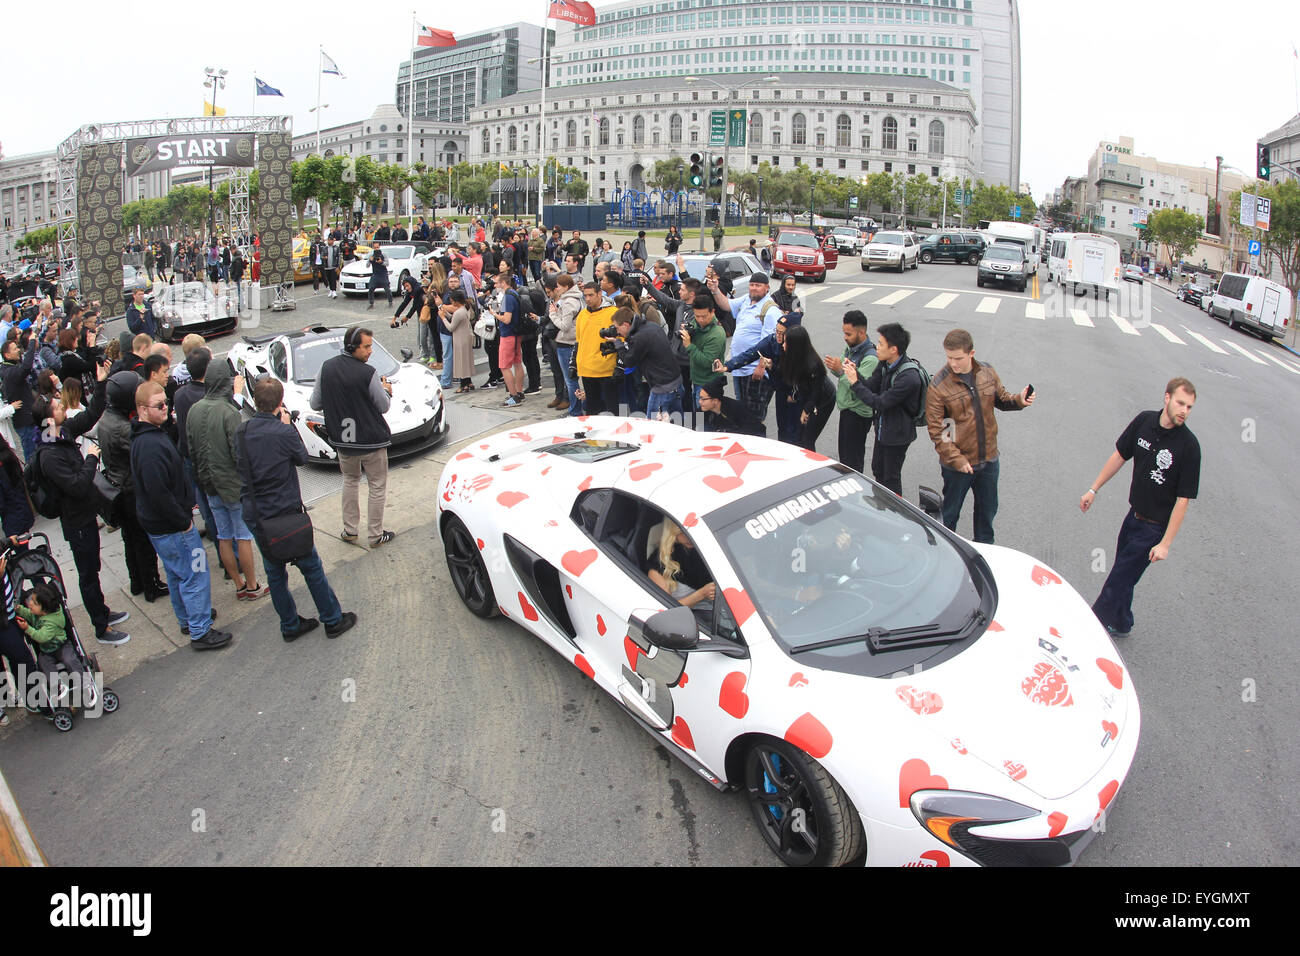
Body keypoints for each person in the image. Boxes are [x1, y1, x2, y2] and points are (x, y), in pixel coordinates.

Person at [235, 377, 356, 641]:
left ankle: (289, 625)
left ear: (255, 402)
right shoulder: (283, 432)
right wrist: (288, 427)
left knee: (275, 572)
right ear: (280, 404)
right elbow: (301, 457)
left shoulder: (241, 433)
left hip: (257, 514)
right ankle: (332, 619)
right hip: (285, 512)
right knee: (311, 566)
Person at [1081, 378, 1200, 638]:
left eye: (1190, 407)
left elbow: (1183, 500)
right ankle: (1123, 622)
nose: (1184, 411)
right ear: (1167, 398)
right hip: (1132, 517)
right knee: (1124, 574)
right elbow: (1120, 455)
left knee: (1119, 579)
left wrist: (1165, 543)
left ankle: (1088, 630)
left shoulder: (1189, 447)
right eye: (1181, 403)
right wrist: (1094, 488)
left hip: (1154, 529)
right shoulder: (1144, 421)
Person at [29, 361, 131, 646]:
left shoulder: (60, 434)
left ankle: (103, 612)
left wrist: (100, 383)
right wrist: (91, 458)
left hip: (84, 514)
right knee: (87, 573)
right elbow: (76, 485)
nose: (64, 407)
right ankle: (101, 628)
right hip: (76, 521)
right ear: (50, 419)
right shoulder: (49, 455)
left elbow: (89, 416)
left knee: (93, 568)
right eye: (58, 408)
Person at [130, 381, 230, 649]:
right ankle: (200, 630)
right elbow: (158, 492)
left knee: (177, 574)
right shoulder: (150, 446)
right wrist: (184, 522)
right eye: (159, 405)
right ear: (142, 409)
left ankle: (188, 619)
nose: (166, 409)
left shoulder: (147, 437)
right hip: (172, 526)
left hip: (160, 525)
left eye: (167, 403)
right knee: (195, 573)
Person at [925, 329, 1034, 544]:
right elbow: (938, 430)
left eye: (958, 358)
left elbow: (1002, 399)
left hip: (989, 460)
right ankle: (946, 553)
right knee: (949, 516)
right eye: (949, 357)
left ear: (971, 353)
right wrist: (957, 459)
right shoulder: (938, 386)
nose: (953, 364)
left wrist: (1020, 400)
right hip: (958, 466)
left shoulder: (987, 372)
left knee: (987, 515)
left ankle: (984, 553)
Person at [187, 360, 269, 601]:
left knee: (223, 536)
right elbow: (239, 455)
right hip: (233, 486)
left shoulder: (195, 409)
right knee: (243, 536)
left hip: (209, 485)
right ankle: (253, 585)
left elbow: (192, 449)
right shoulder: (229, 413)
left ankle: (239, 584)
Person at [310, 327, 395, 548]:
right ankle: (375, 534)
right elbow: (383, 405)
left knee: (350, 481)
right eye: (366, 347)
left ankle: (350, 530)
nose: (370, 351)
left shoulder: (326, 368)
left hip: (343, 441)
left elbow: (315, 403)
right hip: (371, 441)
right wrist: (386, 390)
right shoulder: (368, 373)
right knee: (377, 485)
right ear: (352, 347)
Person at [98, 370, 167, 601]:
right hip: (130, 491)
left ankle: (137, 581)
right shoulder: (122, 428)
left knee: (130, 539)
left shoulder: (107, 419)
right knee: (142, 542)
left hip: (119, 488)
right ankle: (151, 584)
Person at [842, 322, 922, 496]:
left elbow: (879, 403)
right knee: (878, 469)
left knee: (891, 477)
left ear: (893, 349)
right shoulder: (885, 364)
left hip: (898, 434)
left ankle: (895, 512)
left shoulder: (908, 377)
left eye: (880, 344)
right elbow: (871, 386)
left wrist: (855, 383)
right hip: (883, 430)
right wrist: (857, 374)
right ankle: (882, 506)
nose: (876, 347)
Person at [710, 272, 780, 421]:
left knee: (754, 416)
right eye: (752, 285)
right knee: (742, 410)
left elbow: (769, 343)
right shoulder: (746, 300)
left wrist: (761, 367)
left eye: (758, 285)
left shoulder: (770, 310)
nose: (754, 288)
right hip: (739, 368)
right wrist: (715, 290)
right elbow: (726, 304)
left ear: (767, 288)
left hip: (754, 371)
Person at [824, 310, 878, 474]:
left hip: (859, 413)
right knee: (845, 458)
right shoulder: (851, 348)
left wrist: (840, 371)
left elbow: (861, 387)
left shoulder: (871, 358)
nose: (845, 337)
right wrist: (835, 367)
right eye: (844, 333)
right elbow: (842, 371)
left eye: (848, 334)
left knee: (853, 459)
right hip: (847, 409)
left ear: (861, 332)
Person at [613, 305, 684, 422]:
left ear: (625, 325)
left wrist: (619, 345)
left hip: (662, 389)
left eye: (617, 328)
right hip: (675, 383)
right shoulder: (651, 326)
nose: (616, 331)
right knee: (677, 423)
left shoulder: (639, 337)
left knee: (652, 427)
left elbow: (629, 361)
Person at [646, 520, 719, 613]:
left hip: (718, 611)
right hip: (690, 618)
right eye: (685, 532)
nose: (691, 537)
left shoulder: (703, 549)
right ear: (673, 532)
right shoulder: (657, 566)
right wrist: (702, 594)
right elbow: (667, 611)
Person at [572, 283, 621, 415]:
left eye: (591, 295)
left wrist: (619, 365)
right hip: (586, 370)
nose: (587, 299)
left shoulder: (613, 313)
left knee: (612, 410)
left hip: (606, 370)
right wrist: (573, 364)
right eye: (585, 295)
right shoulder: (582, 315)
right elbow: (578, 342)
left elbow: (622, 340)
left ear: (599, 294)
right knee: (592, 411)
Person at [681, 298, 727, 413]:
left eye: (704, 316)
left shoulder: (717, 334)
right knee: (697, 416)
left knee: (703, 421)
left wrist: (689, 345)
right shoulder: (696, 324)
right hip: (697, 380)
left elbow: (706, 361)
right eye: (697, 316)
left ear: (713, 312)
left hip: (708, 383)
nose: (700, 320)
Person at [549, 273, 583, 414]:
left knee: (570, 380)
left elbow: (564, 326)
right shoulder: (576, 299)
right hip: (572, 341)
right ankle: (576, 408)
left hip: (567, 342)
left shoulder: (569, 302)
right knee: (572, 379)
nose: (556, 289)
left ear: (566, 287)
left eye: (558, 286)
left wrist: (553, 314)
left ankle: (575, 410)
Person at [1, 335, 38, 460]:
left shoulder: (9, 368)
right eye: (15, 348)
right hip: (25, 423)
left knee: (41, 450)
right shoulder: (10, 372)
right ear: (7, 355)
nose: (18, 350)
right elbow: (26, 367)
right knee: (32, 456)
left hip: (29, 418)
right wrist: (32, 342)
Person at [697, 377, 764, 437]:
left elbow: (756, 429)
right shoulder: (704, 408)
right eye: (700, 398)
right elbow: (689, 423)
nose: (700, 402)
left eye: (703, 399)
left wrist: (727, 433)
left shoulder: (735, 408)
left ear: (715, 400)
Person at [445, 290, 476, 394]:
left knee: (461, 361)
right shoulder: (464, 309)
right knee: (466, 360)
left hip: (459, 339)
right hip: (465, 337)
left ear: (456, 301)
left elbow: (451, 327)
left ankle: (463, 385)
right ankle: (468, 381)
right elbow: (454, 319)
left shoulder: (458, 312)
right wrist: (445, 313)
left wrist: (442, 318)